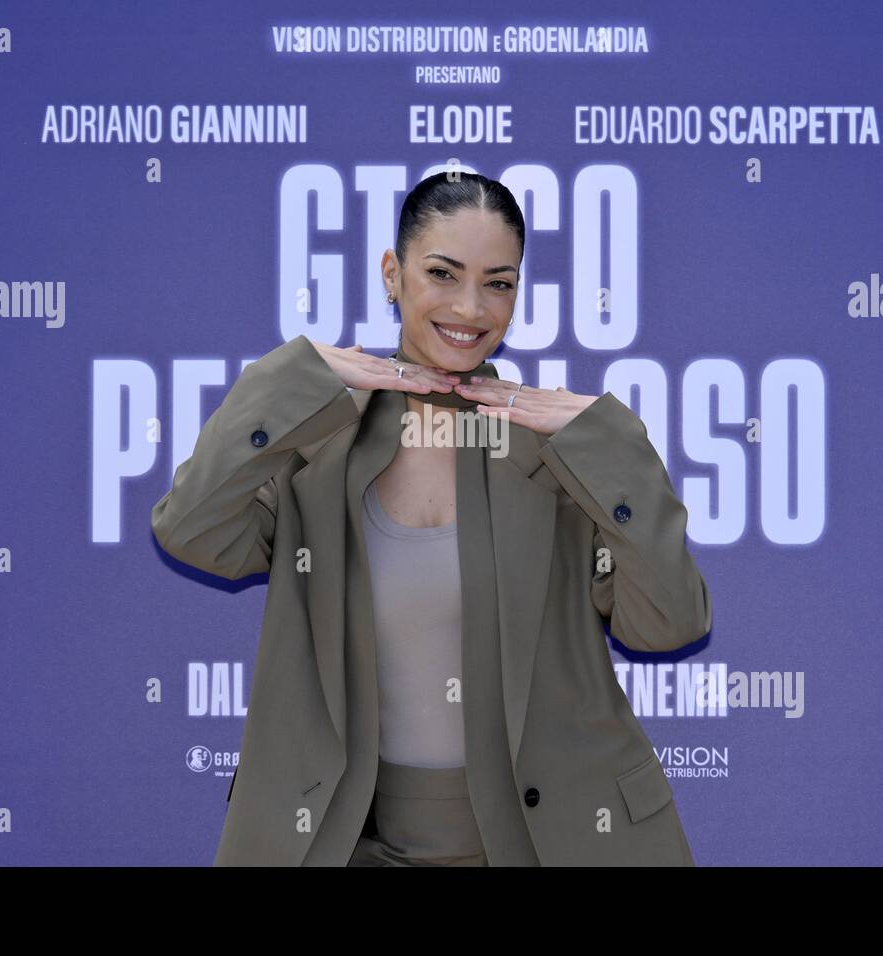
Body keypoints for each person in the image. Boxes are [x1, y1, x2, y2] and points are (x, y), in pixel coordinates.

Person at [151, 171, 713, 866]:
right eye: (442, 274)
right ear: (393, 274)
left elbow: (668, 624)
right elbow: (192, 531)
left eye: (498, 283)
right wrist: (282, 379)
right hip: (349, 842)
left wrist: (619, 450)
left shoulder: (557, 452)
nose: (470, 308)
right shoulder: (319, 445)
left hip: (545, 844)